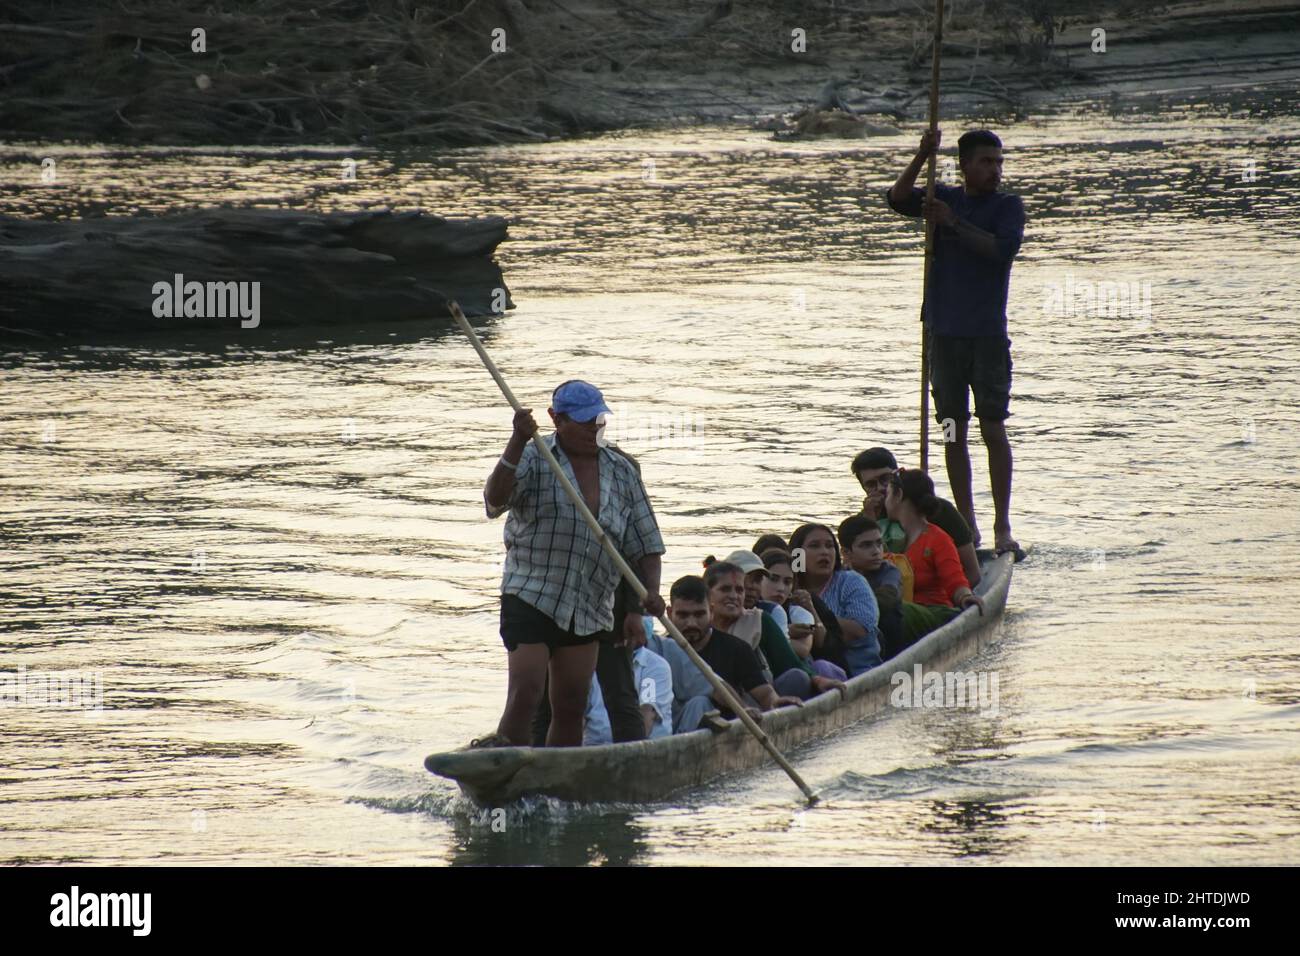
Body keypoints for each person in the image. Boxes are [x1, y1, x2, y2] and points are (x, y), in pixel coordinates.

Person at [480, 379, 665, 748]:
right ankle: (506, 769)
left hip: (590, 603)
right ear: (556, 419)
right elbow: (494, 500)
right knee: (526, 695)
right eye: (583, 422)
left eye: (598, 420)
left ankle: (556, 784)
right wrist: (517, 440)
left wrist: (650, 594)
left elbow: (645, 540)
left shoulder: (622, 470)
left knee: (570, 705)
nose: (593, 429)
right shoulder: (536, 455)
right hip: (532, 593)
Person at [887, 128, 1024, 555]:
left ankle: (1002, 526)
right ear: (964, 165)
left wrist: (953, 224)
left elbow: (1001, 250)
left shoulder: (1007, 207)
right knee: (951, 431)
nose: (994, 171)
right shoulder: (945, 197)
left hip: (986, 336)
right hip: (944, 335)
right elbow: (897, 198)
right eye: (985, 162)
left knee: (993, 427)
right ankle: (968, 526)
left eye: (999, 162)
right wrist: (922, 154)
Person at [661, 575, 803, 733]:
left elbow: (764, 694)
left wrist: (774, 703)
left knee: (699, 703)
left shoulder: (736, 648)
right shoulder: (660, 650)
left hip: (722, 731)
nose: (691, 623)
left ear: (711, 612)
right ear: (669, 613)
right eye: (683, 615)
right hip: (669, 726)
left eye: (699, 614)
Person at [703, 560, 842, 699]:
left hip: (760, 699)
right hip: (710, 699)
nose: (734, 596)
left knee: (798, 677)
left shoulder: (760, 621)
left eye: (739, 590)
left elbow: (790, 662)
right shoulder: (698, 626)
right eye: (725, 589)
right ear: (707, 594)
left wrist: (818, 680)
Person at [851, 445, 980, 588]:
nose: (880, 488)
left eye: (885, 479)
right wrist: (870, 520)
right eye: (871, 485)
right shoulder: (863, 520)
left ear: (896, 476)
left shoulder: (940, 510)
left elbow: (972, 572)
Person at [885, 469, 984, 617]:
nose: (885, 501)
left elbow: (955, 580)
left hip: (934, 613)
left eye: (888, 494)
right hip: (900, 614)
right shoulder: (887, 536)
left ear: (898, 495)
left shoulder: (937, 539)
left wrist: (965, 597)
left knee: (897, 610)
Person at [789, 523, 882, 676]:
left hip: (858, 670)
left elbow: (859, 631)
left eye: (829, 546)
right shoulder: (787, 586)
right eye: (814, 546)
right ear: (797, 555)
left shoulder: (851, 581)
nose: (824, 552)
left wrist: (815, 614)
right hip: (806, 670)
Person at [758, 548, 848, 680]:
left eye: (787, 582)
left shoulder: (799, 613)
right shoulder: (748, 609)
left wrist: (770, 635)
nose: (780, 588)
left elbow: (802, 649)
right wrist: (788, 633)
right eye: (773, 579)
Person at [583, 614, 674, 743]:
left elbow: (647, 715)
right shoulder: (591, 663)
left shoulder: (655, 665)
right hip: (596, 747)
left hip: (643, 750)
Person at [837, 515, 907, 661]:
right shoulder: (840, 575)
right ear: (846, 553)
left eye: (879, 544)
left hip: (888, 634)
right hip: (852, 634)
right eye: (866, 545)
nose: (876, 551)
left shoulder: (889, 571)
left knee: (890, 616)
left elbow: (887, 598)